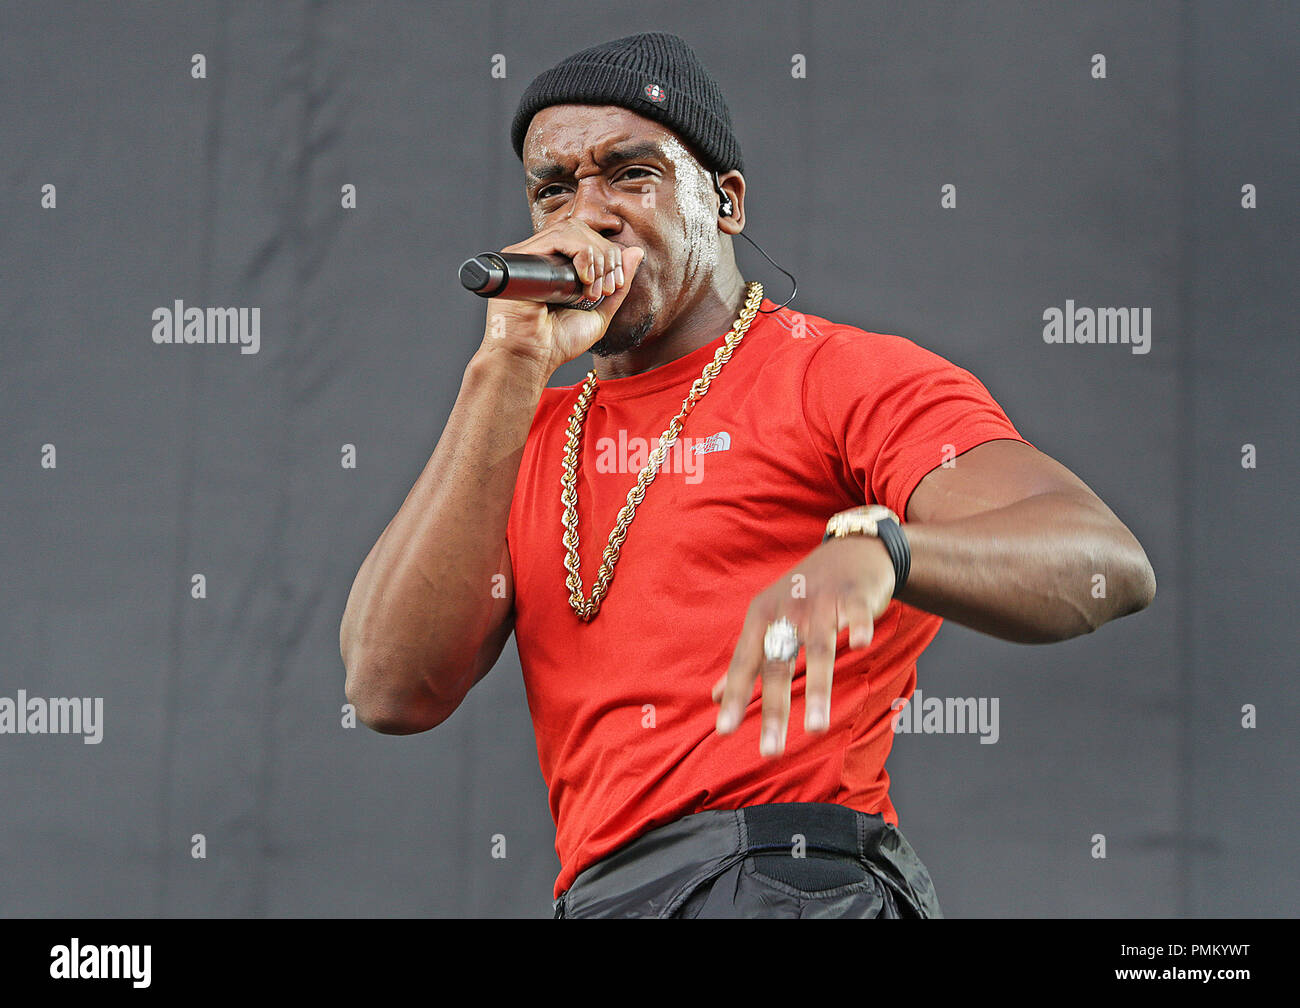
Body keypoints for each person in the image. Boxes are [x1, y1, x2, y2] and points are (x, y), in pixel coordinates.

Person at [339, 32, 1157, 918]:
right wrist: (507, 362)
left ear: (725, 202)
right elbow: (389, 689)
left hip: (777, 877)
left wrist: (885, 553)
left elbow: (1106, 560)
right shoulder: (523, 433)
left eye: (631, 174)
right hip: (603, 897)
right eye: (555, 187)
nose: (590, 213)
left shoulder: (837, 377)